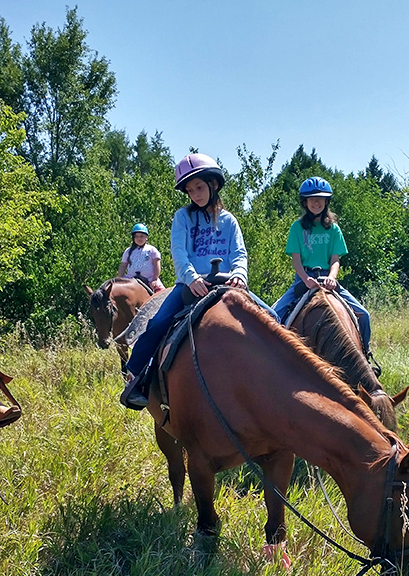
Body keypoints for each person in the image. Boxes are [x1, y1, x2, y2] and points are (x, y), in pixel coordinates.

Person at [121, 152, 278, 409]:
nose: (195, 194)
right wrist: (191, 278)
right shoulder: (183, 217)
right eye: (190, 190)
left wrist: (239, 275)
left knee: (272, 317)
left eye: (199, 187)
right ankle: (136, 380)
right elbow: (179, 252)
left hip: (227, 284)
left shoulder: (229, 220)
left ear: (213, 185)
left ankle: (279, 383)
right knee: (158, 322)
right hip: (191, 286)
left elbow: (239, 253)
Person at [273, 176, 372, 353]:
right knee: (273, 315)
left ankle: (365, 355)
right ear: (305, 202)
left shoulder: (333, 228)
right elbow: (296, 260)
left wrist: (332, 278)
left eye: (320, 199)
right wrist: (305, 279)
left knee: (364, 315)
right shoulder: (297, 228)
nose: (316, 202)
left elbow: (335, 259)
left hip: (327, 278)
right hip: (303, 278)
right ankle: (276, 360)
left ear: (326, 201)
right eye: (312, 199)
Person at [117, 223, 165, 292]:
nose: (139, 238)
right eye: (137, 236)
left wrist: (155, 279)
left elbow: (156, 265)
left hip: (149, 279)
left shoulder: (152, 250)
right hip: (130, 279)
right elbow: (123, 266)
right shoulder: (128, 251)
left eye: (142, 236)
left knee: (162, 294)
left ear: (146, 237)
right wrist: (119, 278)